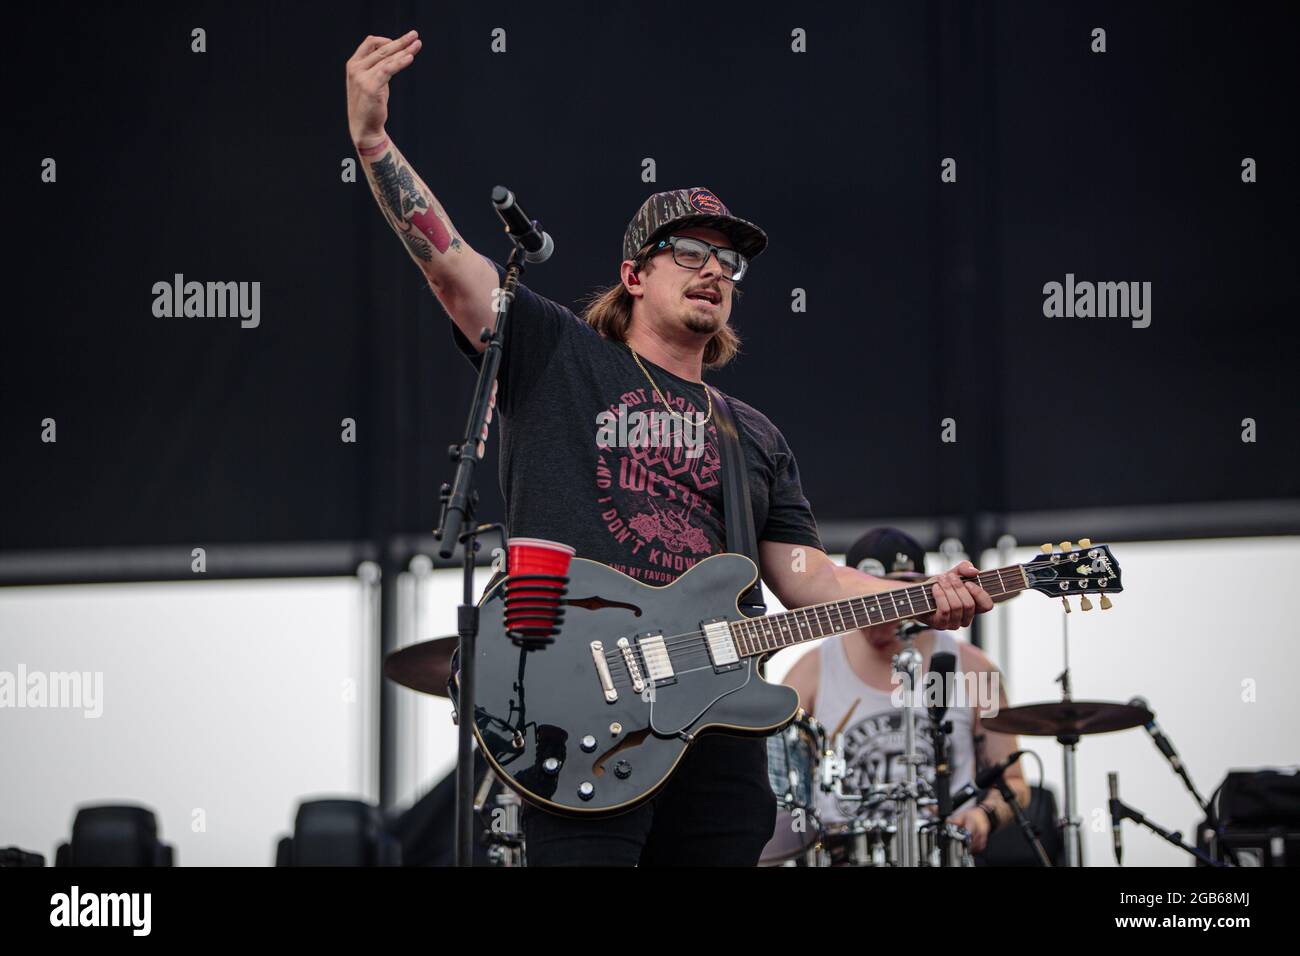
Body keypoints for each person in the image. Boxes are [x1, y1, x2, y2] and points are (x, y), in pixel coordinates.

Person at [346, 31, 994, 865]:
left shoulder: (753, 433)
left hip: (718, 720)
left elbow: (803, 579)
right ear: (634, 274)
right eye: (687, 252)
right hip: (583, 704)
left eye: (727, 261)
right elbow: (453, 269)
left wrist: (917, 592)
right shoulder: (562, 356)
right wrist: (372, 142)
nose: (713, 269)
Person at [780, 527, 1028, 854]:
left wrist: (983, 816)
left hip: (940, 851)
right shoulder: (812, 669)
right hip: (841, 854)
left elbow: (1014, 783)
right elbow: (777, 780)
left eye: (888, 601)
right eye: (862, 601)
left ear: (917, 592)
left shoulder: (975, 669)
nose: (874, 615)